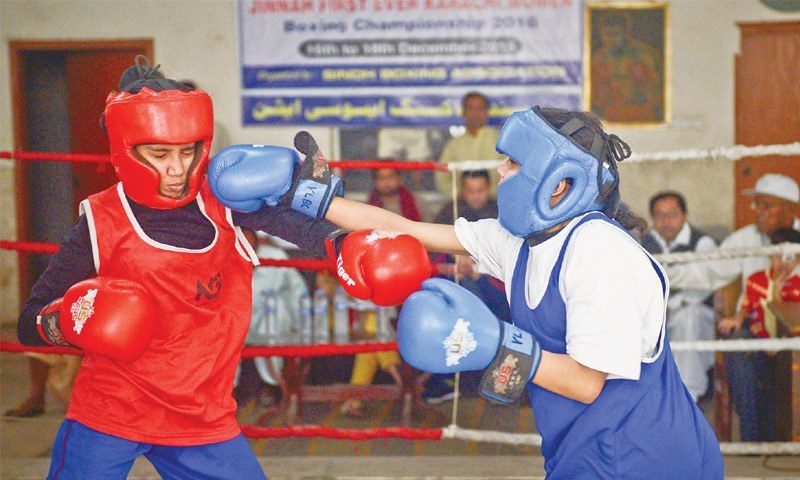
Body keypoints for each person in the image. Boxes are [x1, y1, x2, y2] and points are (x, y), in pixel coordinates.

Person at [313, 106, 722, 478]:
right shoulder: (519, 241)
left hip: (646, 458)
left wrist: (494, 343)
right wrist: (307, 197)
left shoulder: (597, 249)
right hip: (579, 452)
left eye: (514, 162)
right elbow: (408, 229)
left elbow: (587, 383)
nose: (501, 171)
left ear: (560, 182)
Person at [14, 55, 351, 479]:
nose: (177, 170)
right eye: (159, 153)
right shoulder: (100, 221)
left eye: (187, 152)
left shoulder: (222, 199)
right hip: (111, 411)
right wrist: (70, 320)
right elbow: (30, 321)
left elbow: (304, 230)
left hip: (200, 416)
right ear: (127, 149)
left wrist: (344, 242)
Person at [338, 164, 419, 416]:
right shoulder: (366, 209)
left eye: (390, 177)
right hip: (377, 284)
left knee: (373, 329)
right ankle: (398, 376)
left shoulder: (412, 206)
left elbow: (422, 245)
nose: (386, 183)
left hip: (407, 279)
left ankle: (357, 396)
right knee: (374, 327)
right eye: (380, 178)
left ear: (399, 178)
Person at [422, 170, 510, 403]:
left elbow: (512, 256)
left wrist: (478, 266)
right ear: (462, 191)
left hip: (496, 288)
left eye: (480, 191)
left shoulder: (502, 213)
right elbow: (429, 253)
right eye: (470, 191)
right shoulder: (449, 212)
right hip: (457, 286)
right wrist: (453, 260)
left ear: (489, 189)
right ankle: (448, 379)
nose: (475, 196)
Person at [665, 173, 800, 316]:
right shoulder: (745, 238)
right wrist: (663, 273)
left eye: (766, 206)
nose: (758, 211)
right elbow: (708, 271)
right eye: (756, 204)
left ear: (790, 209)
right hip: (750, 322)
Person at [716, 227, 800, 441]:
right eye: (777, 253)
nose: (782, 261)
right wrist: (736, 319)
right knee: (739, 350)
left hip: (788, 349)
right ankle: (750, 438)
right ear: (770, 253)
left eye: (789, 256)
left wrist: (778, 293)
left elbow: (789, 323)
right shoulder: (756, 279)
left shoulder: (798, 285)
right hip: (759, 340)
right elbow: (747, 308)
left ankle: (779, 438)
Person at [640, 191, 717, 403]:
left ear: (685, 215)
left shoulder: (702, 242)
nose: (665, 221)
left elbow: (703, 284)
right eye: (658, 215)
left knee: (689, 317)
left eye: (672, 214)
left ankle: (688, 396)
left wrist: (671, 303)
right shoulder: (644, 243)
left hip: (695, 313)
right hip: (655, 315)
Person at [234, 230, 309, 409]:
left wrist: (300, 326)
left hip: (274, 321)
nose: (246, 242)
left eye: (249, 238)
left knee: (275, 316)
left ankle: (273, 386)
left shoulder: (275, 256)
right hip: (237, 321)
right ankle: (229, 392)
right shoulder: (225, 257)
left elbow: (299, 292)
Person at [590, 10, 663, 123]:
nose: (611, 40)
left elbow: (657, 93)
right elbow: (594, 99)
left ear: (626, 33)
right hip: (610, 120)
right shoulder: (597, 59)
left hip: (642, 118)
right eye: (607, 34)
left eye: (616, 34)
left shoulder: (646, 55)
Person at [436, 92, 505, 198]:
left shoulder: (502, 141)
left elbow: (512, 175)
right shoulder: (454, 145)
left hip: (496, 203)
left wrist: (490, 194)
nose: (475, 113)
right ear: (463, 113)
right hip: (461, 204)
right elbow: (441, 176)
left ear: (487, 112)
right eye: (471, 108)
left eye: (480, 108)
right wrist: (459, 195)